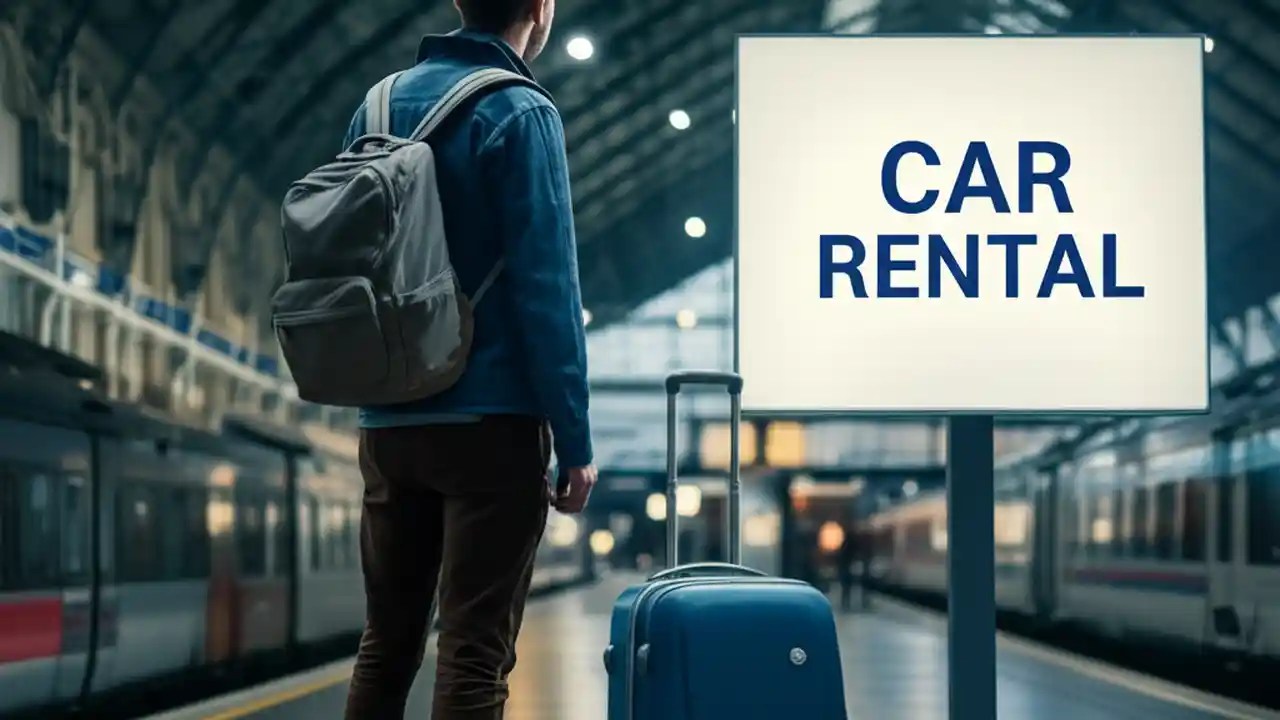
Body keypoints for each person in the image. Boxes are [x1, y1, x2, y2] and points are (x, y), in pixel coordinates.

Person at [339, 1, 596, 718]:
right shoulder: (520, 112)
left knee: (386, 646)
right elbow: (548, 288)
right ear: (540, 11)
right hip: (491, 421)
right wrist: (574, 441)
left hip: (388, 419)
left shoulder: (377, 104)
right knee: (474, 654)